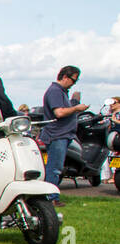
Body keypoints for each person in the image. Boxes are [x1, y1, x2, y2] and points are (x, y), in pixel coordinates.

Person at [42, 66, 88, 200]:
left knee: (56, 167)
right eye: (73, 80)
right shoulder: (55, 91)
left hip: (62, 135)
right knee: (54, 168)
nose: (74, 84)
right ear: (65, 77)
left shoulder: (60, 91)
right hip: (58, 135)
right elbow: (59, 112)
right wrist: (76, 108)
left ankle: (51, 196)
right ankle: (51, 198)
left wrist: (74, 102)